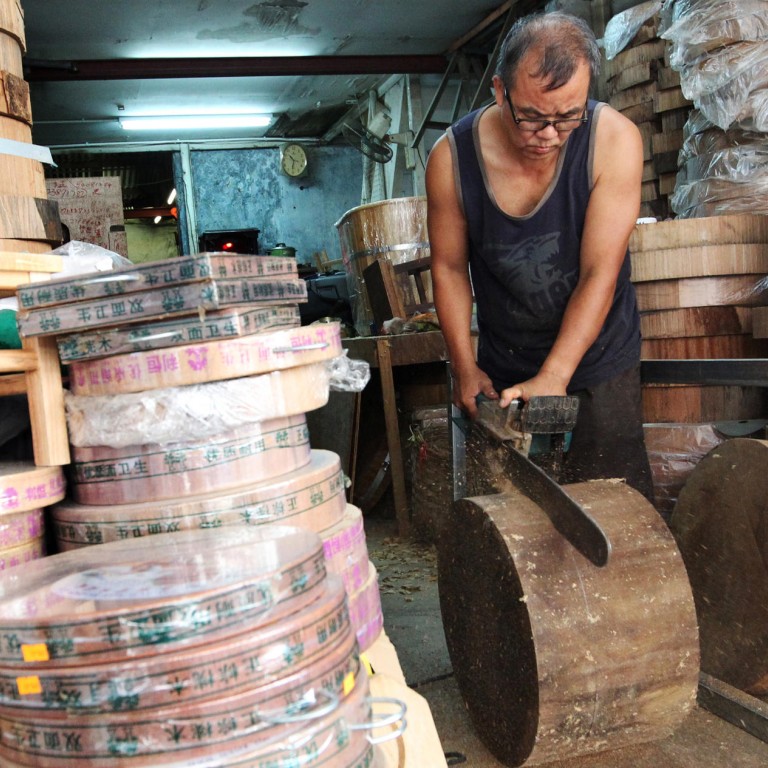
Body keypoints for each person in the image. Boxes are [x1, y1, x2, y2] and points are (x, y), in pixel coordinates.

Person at [425, 10, 653, 499]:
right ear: (499, 90)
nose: (548, 135)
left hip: (598, 355)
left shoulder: (613, 140)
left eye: (568, 117)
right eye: (532, 117)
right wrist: (464, 367)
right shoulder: (451, 159)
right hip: (505, 360)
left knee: (614, 509)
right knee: (511, 521)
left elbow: (599, 273)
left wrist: (556, 374)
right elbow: (447, 268)